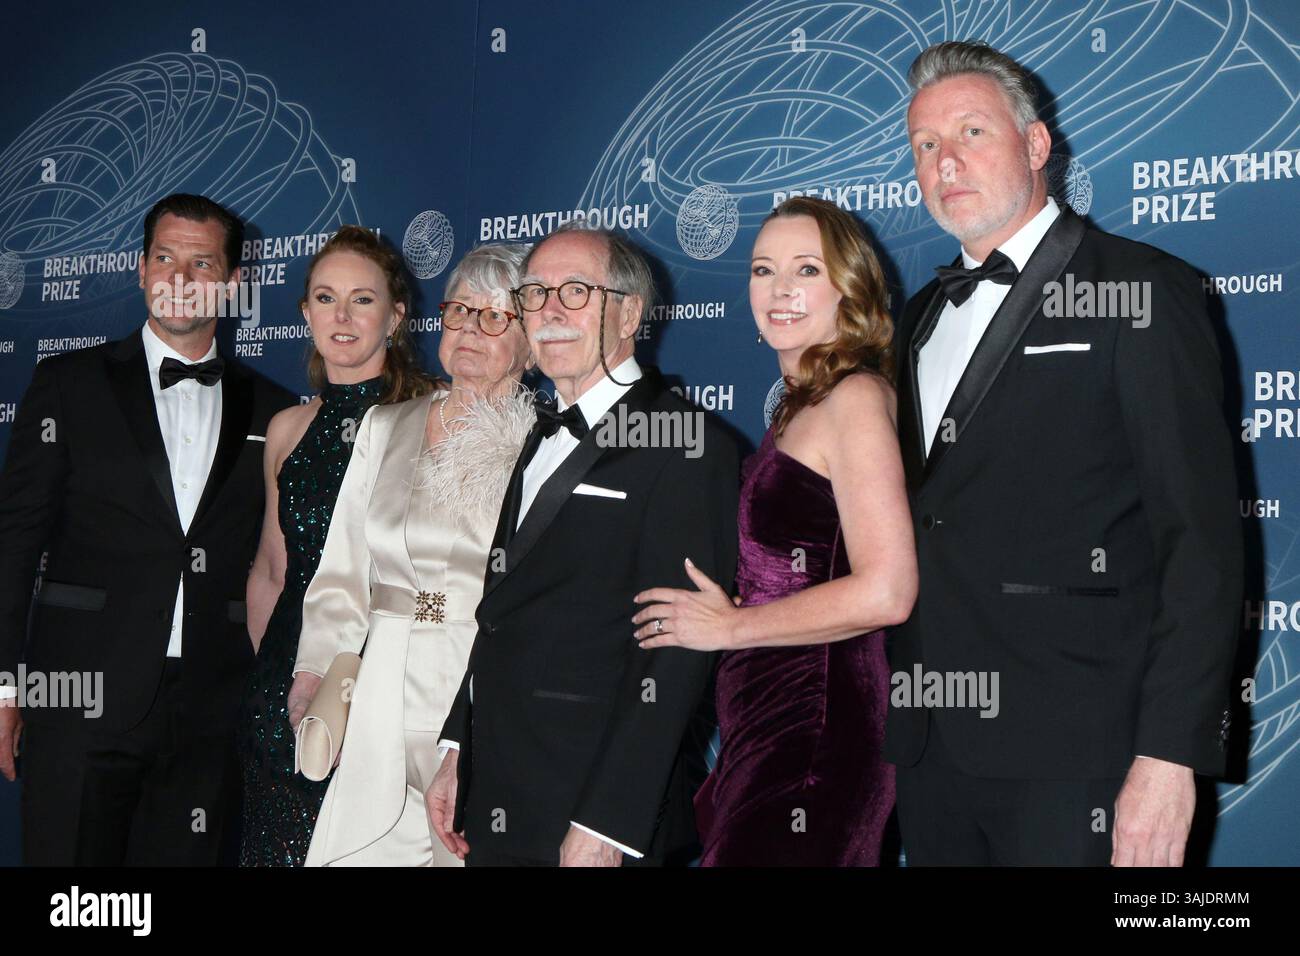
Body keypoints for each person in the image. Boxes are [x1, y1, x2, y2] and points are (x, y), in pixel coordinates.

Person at [886, 41, 1243, 866]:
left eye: (971, 132)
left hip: (1085, 755)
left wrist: (1170, 755)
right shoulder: (918, 319)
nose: (945, 162)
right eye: (924, 146)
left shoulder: (1142, 290)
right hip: (930, 749)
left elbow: (1202, 544)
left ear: (1037, 145)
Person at [426, 224, 740, 867]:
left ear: (628, 313)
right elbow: (500, 618)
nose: (550, 311)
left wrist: (608, 823)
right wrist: (460, 748)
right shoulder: (537, 434)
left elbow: (674, 653)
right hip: (501, 787)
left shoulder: (685, 441)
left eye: (576, 291)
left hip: (590, 807)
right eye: (535, 293)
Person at [0, 193, 296, 864]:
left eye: (202, 263)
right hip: (77, 697)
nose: (181, 280)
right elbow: (14, 546)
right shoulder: (66, 385)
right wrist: (5, 689)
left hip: (211, 712)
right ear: (139, 270)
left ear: (234, 283)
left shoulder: (275, 411)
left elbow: (279, 567)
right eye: (165, 259)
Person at [632, 197, 917, 866]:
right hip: (764, 714)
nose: (780, 289)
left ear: (850, 288)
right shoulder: (800, 408)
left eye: (806, 269)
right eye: (763, 269)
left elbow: (888, 592)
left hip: (819, 722)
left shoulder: (855, 399)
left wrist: (729, 627)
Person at [288, 243, 535, 866]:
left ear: (532, 339)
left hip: (477, 688)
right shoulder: (384, 425)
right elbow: (343, 570)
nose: (470, 331)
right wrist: (315, 671)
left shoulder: (545, 445)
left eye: (495, 316)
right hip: (377, 690)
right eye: (458, 313)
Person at [236, 226, 437, 866]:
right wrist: (277, 686)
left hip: (390, 689)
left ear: (396, 316)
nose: (342, 317)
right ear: (304, 312)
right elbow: (272, 569)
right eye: (325, 298)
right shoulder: (286, 427)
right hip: (282, 692)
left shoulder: (434, 417)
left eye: (362, 300)